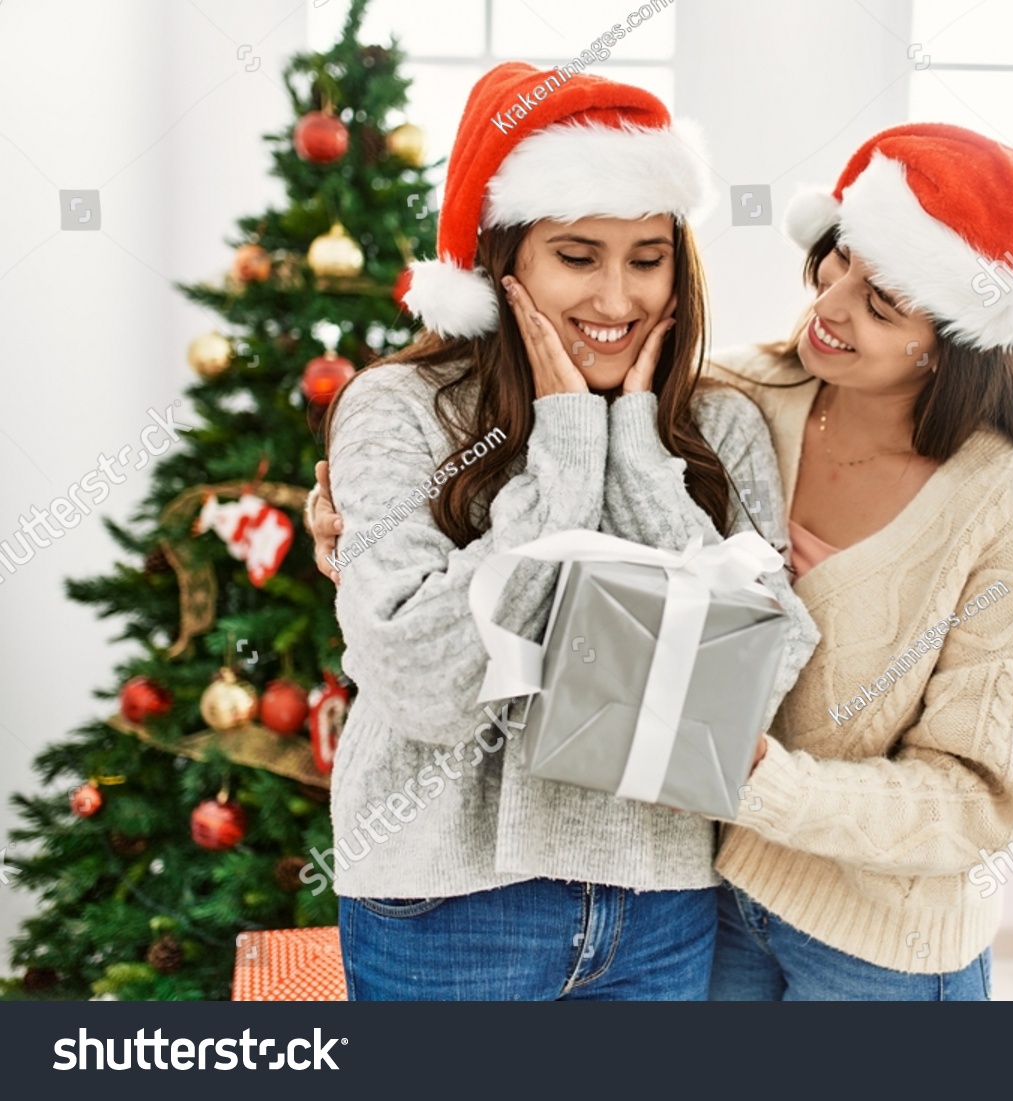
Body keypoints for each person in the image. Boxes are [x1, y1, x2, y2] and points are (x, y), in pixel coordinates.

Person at [310, 61, 816, 1001]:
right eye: (578, 257)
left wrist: (635, 452)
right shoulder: (397, 411)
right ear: (504, 262)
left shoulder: (723, 423)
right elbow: (424, 683)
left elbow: (756, 669)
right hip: (447, 905)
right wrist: (566, 454)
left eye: (647, 258)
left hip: (660, 903)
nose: (618, 300)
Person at [701, 123, 1013, 1000]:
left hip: (886, 952)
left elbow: (977, 796)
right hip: (715, 901)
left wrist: (770, 787)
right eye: (839, 262)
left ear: (952, 338)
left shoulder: (1005, 509)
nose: (830, 305)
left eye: (883, 303)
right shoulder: (737, 397)